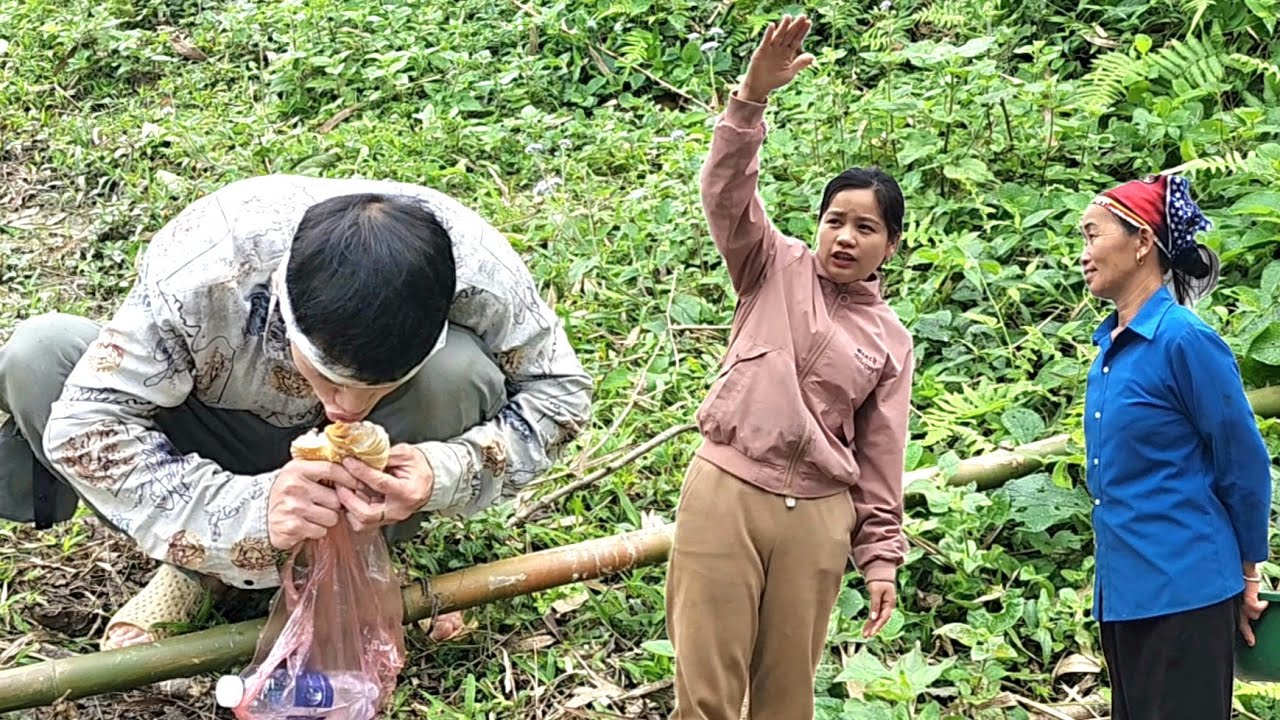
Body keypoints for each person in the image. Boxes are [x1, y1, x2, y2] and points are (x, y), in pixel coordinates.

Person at [0, 176, 592, 650]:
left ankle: (363, 558)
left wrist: (445, 471)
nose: (349, 409)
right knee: (40, 356)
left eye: (381, 385)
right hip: (218, 432)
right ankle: (196, 569)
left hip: (370, 479)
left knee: (460, 375)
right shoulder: (206, 268)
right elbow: (87, 427)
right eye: (330, 377)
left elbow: (562, 394)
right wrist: (247, 515)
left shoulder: (477, 266)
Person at [665, 15, 914, 720]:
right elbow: (725, 190)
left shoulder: (890, 339)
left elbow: (880, 455)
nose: (846, 236)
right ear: (818, 223)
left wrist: (881, 555)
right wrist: (750, 99)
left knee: (785, 698)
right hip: (727, 491)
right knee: (706, 688)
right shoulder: (770, 264)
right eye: (836, 219)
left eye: (866, 228)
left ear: (889, 246)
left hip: (818, 519)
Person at [1078, 173, 1272, 720]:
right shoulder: (1111, 349)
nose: (1084, 254)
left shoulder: (1184, 340)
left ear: (1141, 242)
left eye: (1093, 236)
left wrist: (1249, 571)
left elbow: (1244, 460)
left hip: (1186, 591)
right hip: (1125, 593)